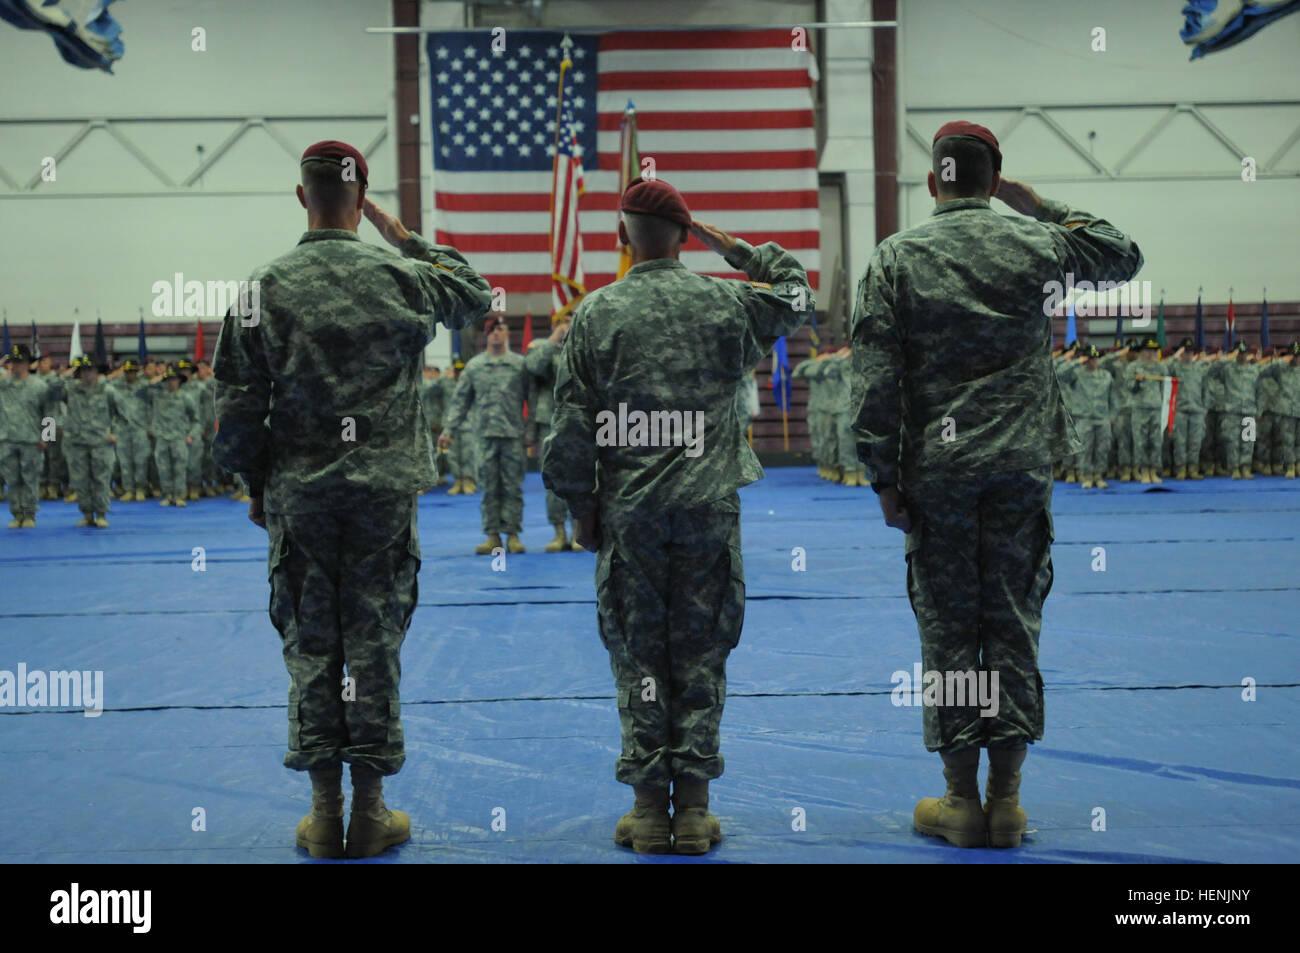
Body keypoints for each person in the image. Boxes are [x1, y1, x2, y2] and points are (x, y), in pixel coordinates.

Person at [851, 121, 1143, 849]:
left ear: (931, 183)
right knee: (1011, 622)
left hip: (937, 476)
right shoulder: (1038, 244)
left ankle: (959, 800)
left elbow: (875, 381)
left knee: (951, 630)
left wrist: (883, 478)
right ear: (993, 181)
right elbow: (1122, 254)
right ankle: (1007, 800)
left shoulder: (896, 257)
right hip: (1017, 468)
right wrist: (1034, 203)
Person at [212, 140, 492, 859]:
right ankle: (370, 811)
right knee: (371, 641)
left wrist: (256, 487)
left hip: (301, 497)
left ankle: (323, 812)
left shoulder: (263, 286)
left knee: (312, 643)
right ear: (361, 200)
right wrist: (402, 236)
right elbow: (475, 293)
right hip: (380, 496)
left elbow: (238, 408)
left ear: (302, 196)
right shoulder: (401, 277)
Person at [543, 177, 812, 854]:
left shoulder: (597, 315)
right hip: (705, 510)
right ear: (686, 236)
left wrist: (581, 511)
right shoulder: (726, 301)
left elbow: (570, 430)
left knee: (638, 656)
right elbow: (798, 293)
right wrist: (742, 251)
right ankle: (692, 809)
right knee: (699, 655)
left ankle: (647, 810)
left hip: (629, 514)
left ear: (620, 237)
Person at [440, 315, 530, 555]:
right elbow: (460, 401)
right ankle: (492, 536)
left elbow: (531, 399)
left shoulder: (520, 365)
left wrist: (531, 431)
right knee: (488, 487)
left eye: (500, 329)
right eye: (492, 330)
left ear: (507, 334)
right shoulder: (474, 367)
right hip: (484, 437)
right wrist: (449, 430)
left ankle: (513, 535)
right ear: (485, 336)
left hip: (512, 436)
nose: (496, 334)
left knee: (512, 487)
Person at [44, 357, 121, 527]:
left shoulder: (108, 391)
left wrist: (114, 433)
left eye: (90, 370)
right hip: (77, 443)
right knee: (80, 480)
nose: (87, 374)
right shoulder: (71, 389)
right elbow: (50, 390)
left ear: (97, 371)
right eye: (83, 370)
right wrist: (67, 374)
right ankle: (87, 514)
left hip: (100, 442)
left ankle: (101, 514)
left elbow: (120, 415)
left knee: (101, 479)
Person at [525, 319, 582, 550]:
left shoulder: (582, 349)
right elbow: (533, 367)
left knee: (580, 478)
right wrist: (553, 341)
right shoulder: (543, 349)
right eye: (562, 323)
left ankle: (579, 530)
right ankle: (559, 532)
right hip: (549, 422)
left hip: (579, 421)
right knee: (552, 480)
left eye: (570, 322)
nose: (566, 326)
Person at [0, 344, 51, 527]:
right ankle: (16, 514)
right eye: (12, 362)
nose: (15, 366)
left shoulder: (39, 386)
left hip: (32, 441)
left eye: (20, 362)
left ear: (28, 363)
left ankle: (29, 514)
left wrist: (47, 437)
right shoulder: (3, 385)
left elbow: (49, 413)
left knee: (30, 479)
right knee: (12, 480)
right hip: (7, 439)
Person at [1065, 345, 1115, 488]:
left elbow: (1113, 397)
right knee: (1085, 449)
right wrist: (1077, 361)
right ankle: (1086, 476)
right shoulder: (1077, 373)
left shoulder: (1106, 375)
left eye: (1095, 358)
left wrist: (1112, 416)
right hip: (1084, 418)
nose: (1093, 362)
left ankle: (1098, 476)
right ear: (1085, 359)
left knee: (1103, 449)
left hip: (1102, 418)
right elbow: (1060, 374)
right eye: (1089, 359)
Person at [107, 359, 153, 501]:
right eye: (127, 372)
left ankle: (140, 488)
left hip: (140, 428)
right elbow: (110, 408)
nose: (129, 375)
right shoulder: (116, 387)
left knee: (141, 461)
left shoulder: (145, 387)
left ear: (137, 372)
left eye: (132, 372)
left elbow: (152, 407)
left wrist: (150, 426)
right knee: (124, 461)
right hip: (122, 429)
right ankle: (129, 489)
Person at [151, 366, 196, 507]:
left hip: (179, 438)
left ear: (179, 381)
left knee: (179, 468)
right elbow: (143, 389)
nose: (171, 382)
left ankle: (178, 495)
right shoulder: (158, 396)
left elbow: (196, 420)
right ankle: (168, 495)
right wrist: (160, 376)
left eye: (174, 379)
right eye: (168, 380)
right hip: (162, 438)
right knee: (163, 468)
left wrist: (191, 435)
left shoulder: (186, 398)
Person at [1126, 338, 1168, 484]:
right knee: (1141, 442)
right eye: (1148, 350)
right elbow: (1129, 388)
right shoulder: (1133, 367)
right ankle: (1143, 471)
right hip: (1139, 408)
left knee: (1156, 441)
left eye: (1153, 351)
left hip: (1156, 408)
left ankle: (1153, 470)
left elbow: (1165, 389)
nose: (1151, 354)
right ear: (1142, 351)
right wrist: (1137, 381)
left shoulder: (1161, 367)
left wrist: (1164, 405)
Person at [1169, 339, 1209, 479]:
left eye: (1190, 352)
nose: (1188, 354)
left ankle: (1193, 469)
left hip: (1197, 410)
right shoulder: (1175, 368)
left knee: (1195, 442)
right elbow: (1164, 367)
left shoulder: (1199, 369)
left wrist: (1205, 407)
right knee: (1180, 442)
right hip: (1180, 409)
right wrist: (1177, 354)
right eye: (1185, 352)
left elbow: (1205, 389)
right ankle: (1180, 469)